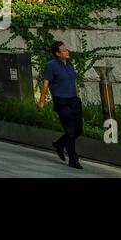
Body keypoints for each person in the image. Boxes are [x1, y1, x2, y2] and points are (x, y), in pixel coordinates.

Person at [37, 39, 83, 169]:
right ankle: (73, 160)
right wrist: (42, 101)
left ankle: (59, 144)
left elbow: (73, 80)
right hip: (61, 101)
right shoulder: (51, 66)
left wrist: (76, 94)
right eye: (64, 50)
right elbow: (46, 83)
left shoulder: (69, 64)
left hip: (74, 100)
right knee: (70, 131)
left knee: (78, 129)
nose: (67, 51)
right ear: (57, 54)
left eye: (66, 49)